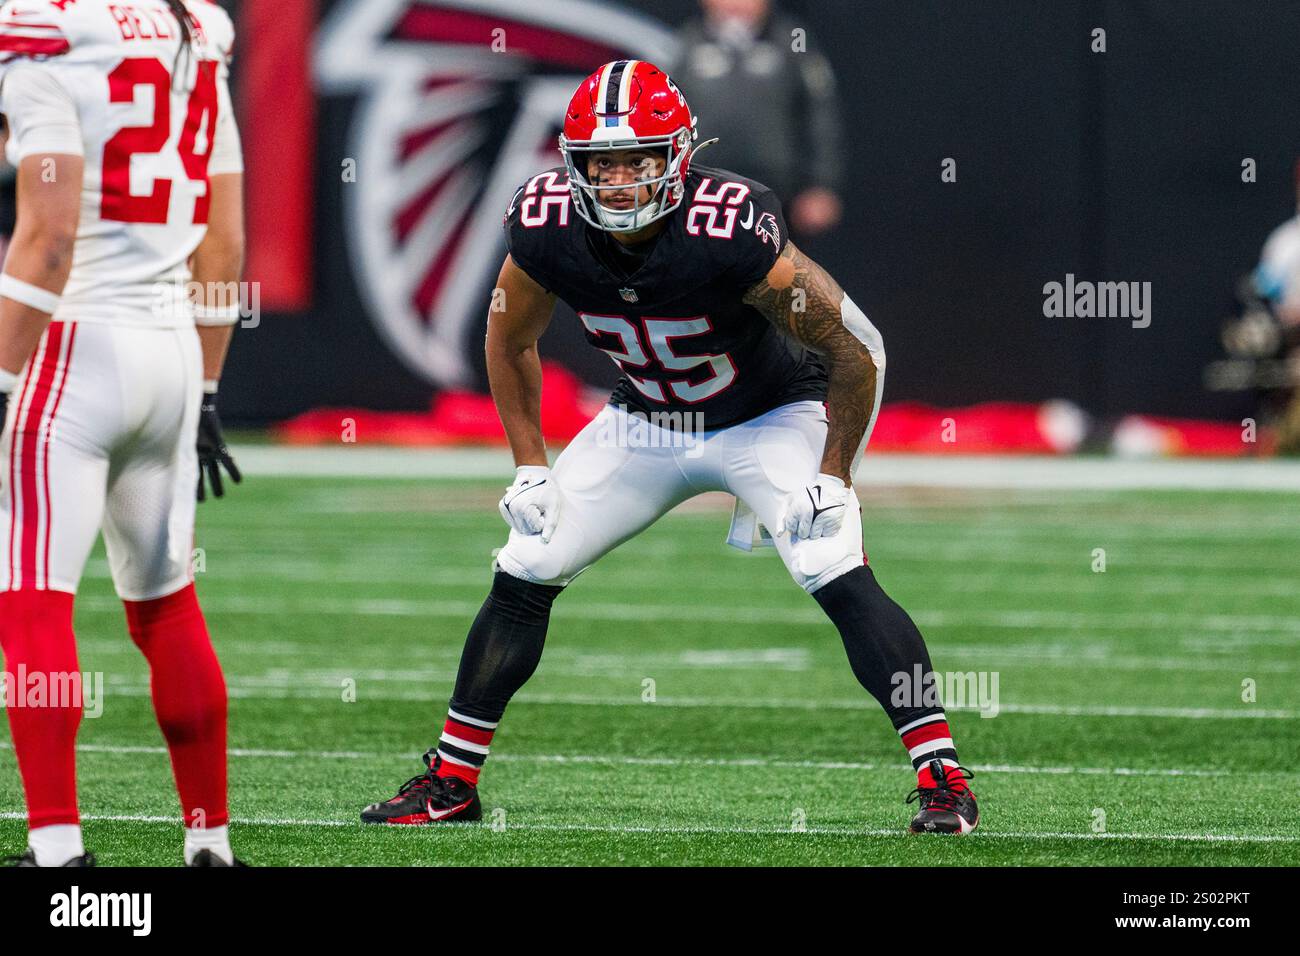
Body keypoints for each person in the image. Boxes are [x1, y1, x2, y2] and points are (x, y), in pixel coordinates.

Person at [361, 60, 977, 835]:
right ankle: (451, 783)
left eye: (638, 159)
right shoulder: (547, 224)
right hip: (646, 420)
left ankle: (944, 777)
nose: (618, 181)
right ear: (572, 164)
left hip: (770, 416)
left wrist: (835, 476)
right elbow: (508, 338)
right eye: (600, 163)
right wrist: (528, 463)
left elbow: (859, 349)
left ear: (677, 156)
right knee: (527, 563)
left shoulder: (725, 226)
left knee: (833, 568)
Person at [0, 0, 245, 866]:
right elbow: (223, 240)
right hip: (171, 350)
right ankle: (208, 841)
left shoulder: (50, 31)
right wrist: (209, 390)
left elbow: (51, 238)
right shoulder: (195, 30)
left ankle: (59, 849)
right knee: (166, 600)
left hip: (73, 342)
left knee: (32, 596)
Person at [668, 0, 843, 237]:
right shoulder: (684, 42)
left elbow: (819, 113)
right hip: (703, 188)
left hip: (779, 192)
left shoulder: (795, 37)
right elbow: (666, 120)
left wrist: (820, 185)